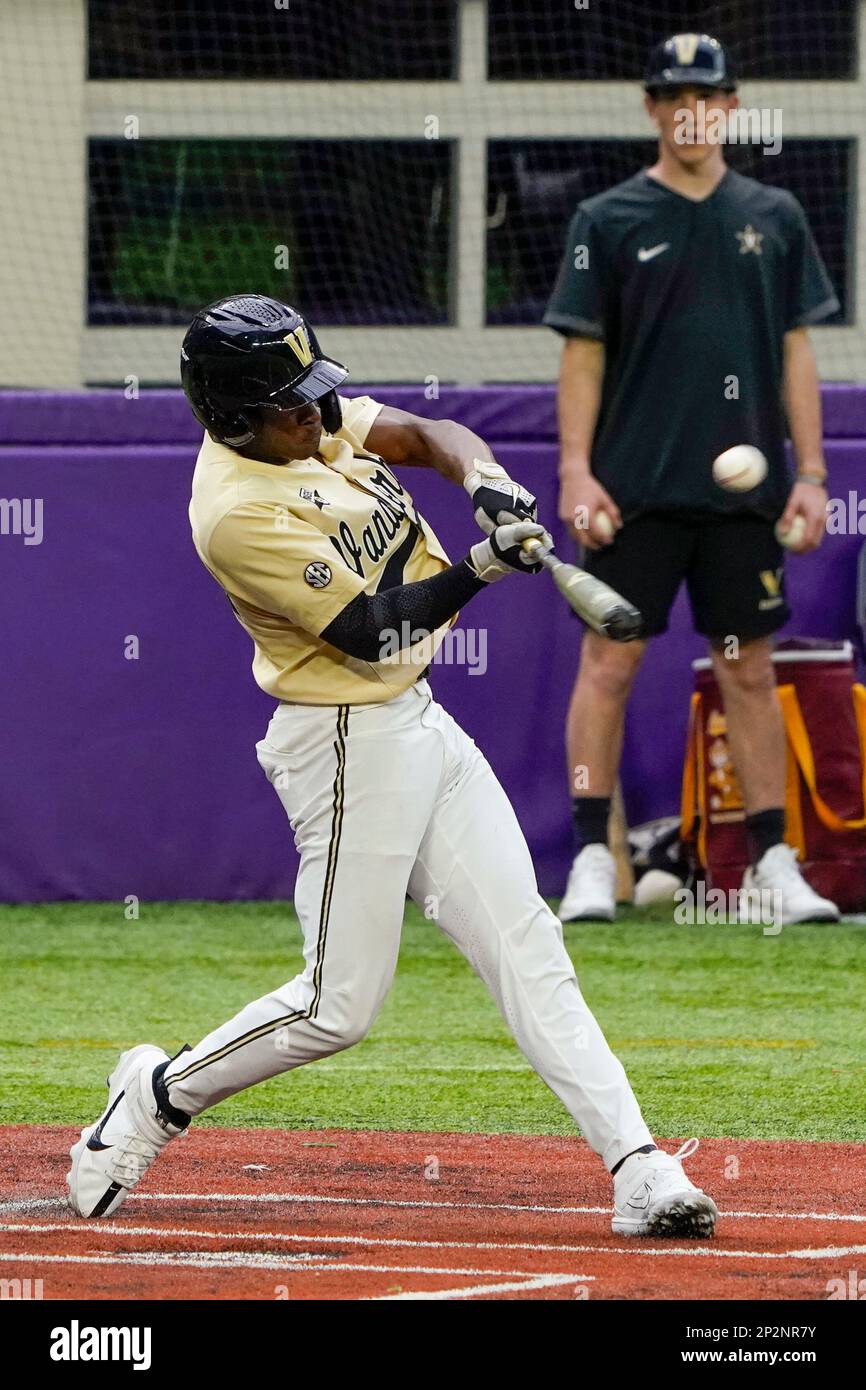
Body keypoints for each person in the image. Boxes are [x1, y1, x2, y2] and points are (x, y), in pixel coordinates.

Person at [66, 294, 717, 1239]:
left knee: (525, 943)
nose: (319, 416)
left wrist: (487, 481)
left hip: (417, 724)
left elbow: (425, 431)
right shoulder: (237, 513)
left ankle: (637, 1165)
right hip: (341, 741)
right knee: (338, 1008)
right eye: (293, 406)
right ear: (236, 418)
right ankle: (156, 1097)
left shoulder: (301, 422)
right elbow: (375, 635)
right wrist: (485, 569)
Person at [544, 32, 840, 925]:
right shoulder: (607, 220)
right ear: (652, 109)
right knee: (608, 662)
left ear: (729, 105)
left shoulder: (776, 218)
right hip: (631, 491)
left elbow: (795, 351)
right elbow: (582, 357)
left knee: (747, 670)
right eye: (674, 97)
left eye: (705, 97)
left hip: (743, 501)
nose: (690, 112)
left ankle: (773, 865)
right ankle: (595, 857)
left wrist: (813, 473)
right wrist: (575, 472)